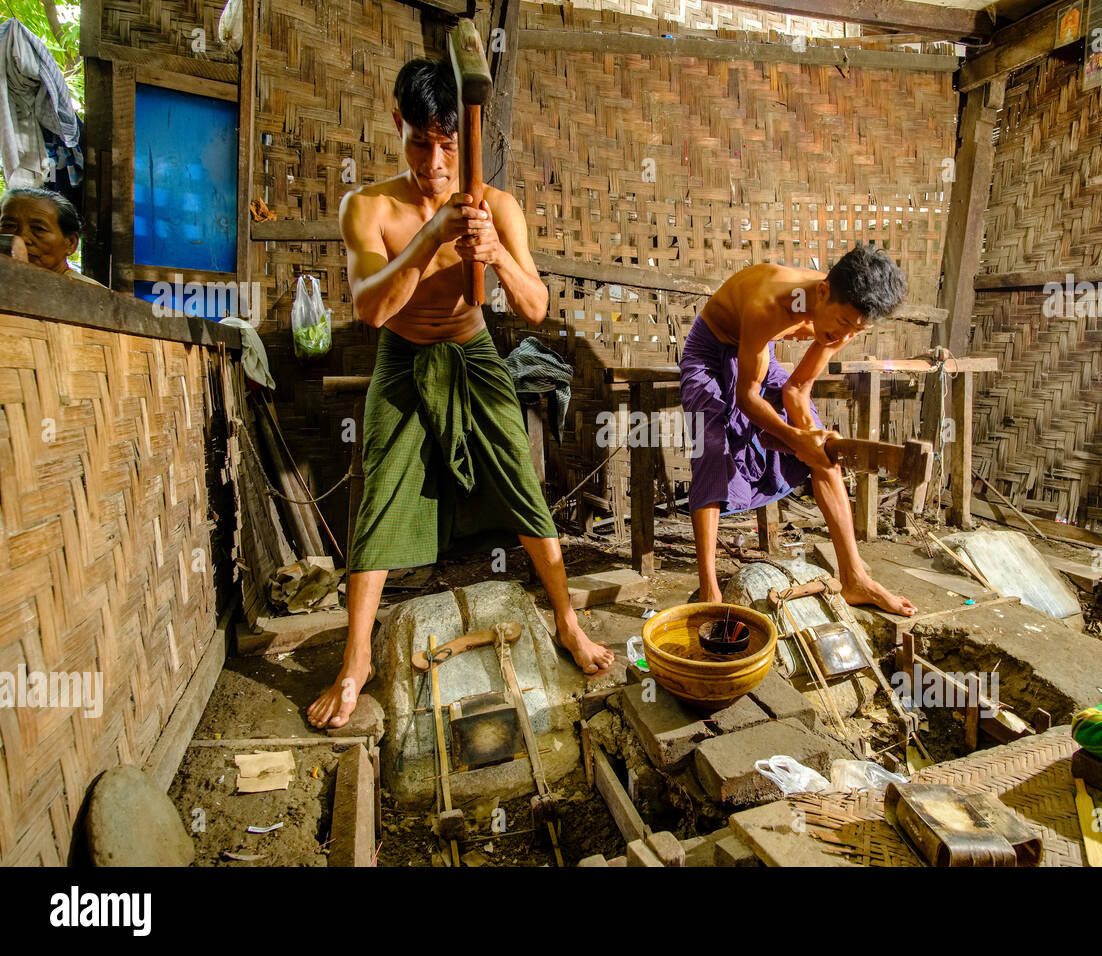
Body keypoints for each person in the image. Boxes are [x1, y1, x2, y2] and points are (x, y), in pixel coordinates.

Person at [308, 58, 614, 730]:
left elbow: (534, 307)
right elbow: (371, 309)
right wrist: (428, 237)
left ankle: (566, 619)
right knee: (381, 488)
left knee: (520, 479)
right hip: (403, 355)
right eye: (421, 142)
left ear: (466, 143)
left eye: (450, 145)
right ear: (398, 124)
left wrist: (495, 253)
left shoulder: (498, 207)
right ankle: (356, 657)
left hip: (474, 353)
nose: (435, 161)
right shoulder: (368, 207)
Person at [679, 244, 918, 616]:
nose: (842, 337)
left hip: (760, 352)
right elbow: (746, 397)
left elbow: (796, 388)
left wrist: (810, 440)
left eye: (856, 330)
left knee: (823, 453)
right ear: (822, 291)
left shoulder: (846, 316)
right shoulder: (770, 302)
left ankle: (855, 577)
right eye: (841, 324)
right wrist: (794, 439)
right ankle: (709, 587)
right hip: (710, 351)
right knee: (712, 446)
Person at [0, 186, 102, 284]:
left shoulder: (91, 294)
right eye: (9, 226)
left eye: (39, 229)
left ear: (70, 243)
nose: (21, 238)